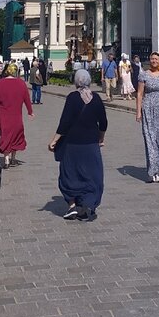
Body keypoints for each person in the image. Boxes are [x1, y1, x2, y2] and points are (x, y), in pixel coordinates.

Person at [49, 69, 108, 221]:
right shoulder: (96, 98)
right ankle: (88, 204)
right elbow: (103, 122)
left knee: (70, 174)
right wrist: (101, 138)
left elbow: (65, 122)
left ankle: (72, 206)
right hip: (91, 144)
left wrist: (54, 140)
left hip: (72, 144)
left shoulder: (72, 98)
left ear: (76, 81)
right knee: (92, 175)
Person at [136, 51, 159, 183]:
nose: (154, 61)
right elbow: (140, 94)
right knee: (150, 140)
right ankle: (152, 171)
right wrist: (138, 112)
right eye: (152, 59)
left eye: (156, 59)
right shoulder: (144, 75)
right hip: (148, 109)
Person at [0, 63, 34, 168]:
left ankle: (6, 158)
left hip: (4, 115)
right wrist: (30, 111)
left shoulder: (0, 83)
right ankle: (13, 158)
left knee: (5, 136)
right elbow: (27, 99)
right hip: (17, 115)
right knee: (16, 135)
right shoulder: (21, 83)